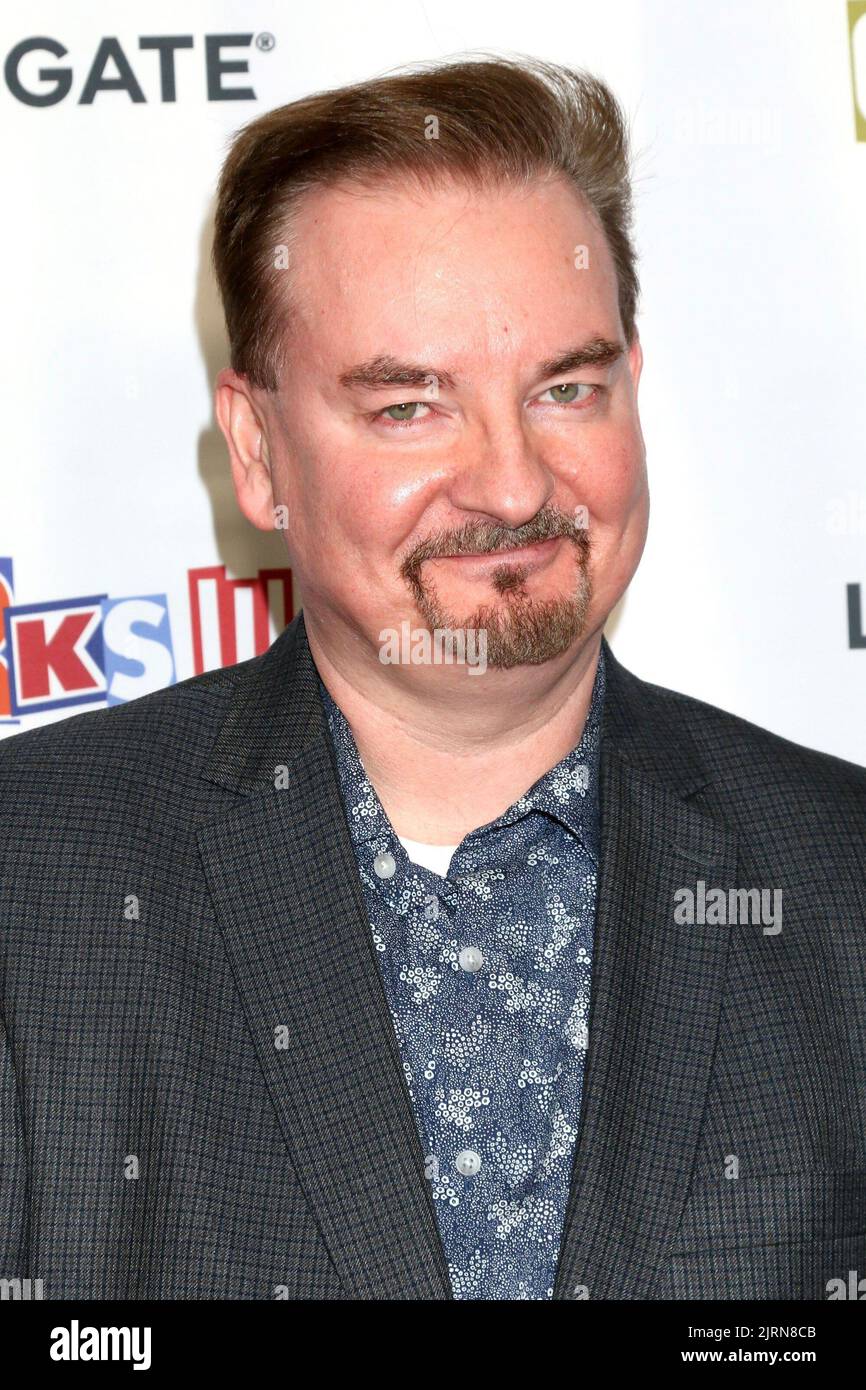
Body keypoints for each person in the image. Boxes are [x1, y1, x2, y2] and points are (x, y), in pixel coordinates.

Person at [1, 55, 864, 1302]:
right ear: (257, 449)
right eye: (411, 407)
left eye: (565, 388)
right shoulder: (32, 882)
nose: (514, 485)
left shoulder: (838, 880)